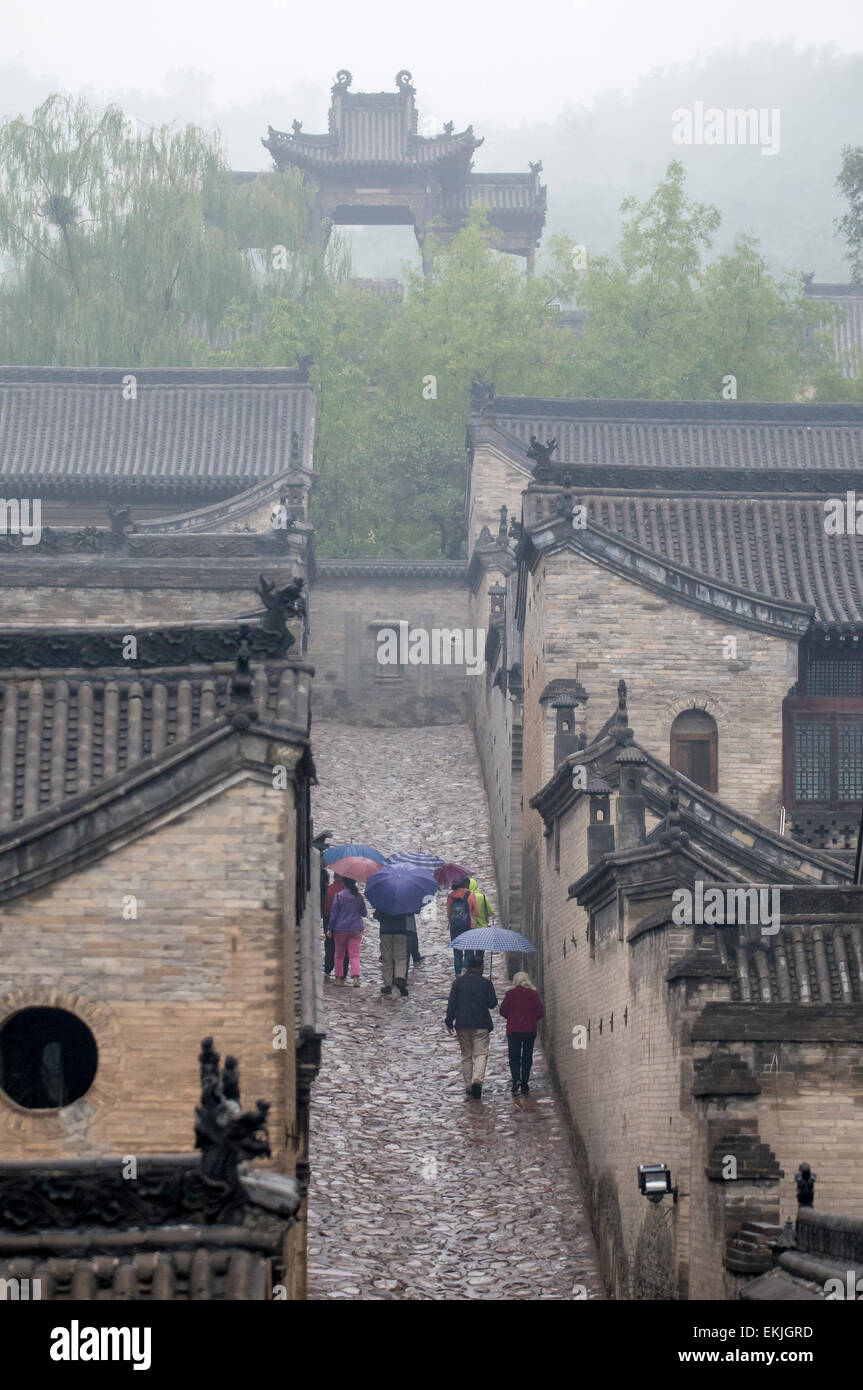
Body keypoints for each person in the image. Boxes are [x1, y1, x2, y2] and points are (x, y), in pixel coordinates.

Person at [444, 957, 498, 1099]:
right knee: (480, 1054)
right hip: (481, 1023)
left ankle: (468, 1085)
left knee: (466, 1055)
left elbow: (452, 1004)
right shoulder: (486, 983)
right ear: (481, 967)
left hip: (462, 1024)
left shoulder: (458, 983)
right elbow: (492, 1004)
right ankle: (477, 1081)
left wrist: (449, 1021)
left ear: (468, 966)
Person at [499, 972, 545, 1094]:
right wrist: (531, 1018)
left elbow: (503, 1011)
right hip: (529, 1030)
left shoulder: (511, 994)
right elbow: (540, 1012)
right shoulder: (533, 994)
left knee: (514, 1056)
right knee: (527, 1056)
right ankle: (525, 1082)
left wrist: (512, 1016)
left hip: (514, 1030)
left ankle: (516, 1080)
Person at [328, 877, 366, 987]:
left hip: (341, 929)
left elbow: (334, 914)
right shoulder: (358, 897)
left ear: (344, 883)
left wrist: (330, 928)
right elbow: (364, 913)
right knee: (354, 955)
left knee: (339, 955)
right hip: (356, 929)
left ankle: (338, 978)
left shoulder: (339, 895)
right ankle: (355, 978)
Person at [374, 908, 410, 997]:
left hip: (385, 931)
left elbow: (376, 916)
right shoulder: (404, 901)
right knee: (401, 957)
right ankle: (400, 977)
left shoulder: (383, 901)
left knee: (387, 958)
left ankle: (388, 985)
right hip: (401, 930)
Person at [447, 876, 478, 976]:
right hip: (468, 926)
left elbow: (448, 914)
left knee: (457, 952)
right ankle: (464, 971)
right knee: (469, 951)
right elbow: (477, 913)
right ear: (465, 883)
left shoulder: (450, 896)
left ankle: (457, 974)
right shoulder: (470, 895)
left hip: (455, 926)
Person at [323, 872, 350, 978]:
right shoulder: (348, 891)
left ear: (334, 876)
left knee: (329, 945)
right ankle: (343, 971)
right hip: (344, 921)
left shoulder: (329, 889)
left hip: (330, 919)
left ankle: (328, 968)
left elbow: (325, 906)